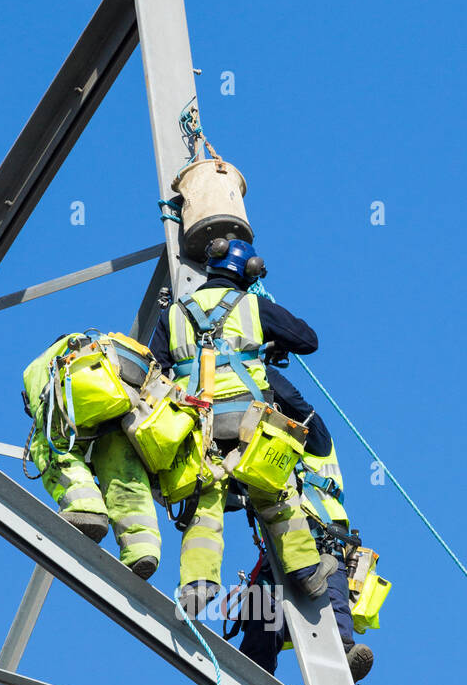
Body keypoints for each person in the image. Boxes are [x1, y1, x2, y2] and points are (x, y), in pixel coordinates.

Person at [149, 239, 334, 613]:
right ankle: (308, 574)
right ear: (250, 272)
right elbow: (308, 340)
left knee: (205, 506)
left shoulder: (174, 314)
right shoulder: (252, 305)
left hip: (197, 426)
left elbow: (155, 369)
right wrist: (270, 335)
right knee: (276, 496)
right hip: (250, 420)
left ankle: (197, 588)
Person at [223, 367, 374, 685]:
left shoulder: (313, 438)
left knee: (327, 599)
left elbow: (297, 404)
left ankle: (343, 655)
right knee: (257, 637)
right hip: (275, 558)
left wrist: (246, 363)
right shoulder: (258, 448)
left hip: (322, 542)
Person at [23, 332, 161, 579]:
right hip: (125, 400)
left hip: (85, 397)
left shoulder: (44, 363)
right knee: (123, 468)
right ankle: (141, 548)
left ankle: (85, 508)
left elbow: (45, 412)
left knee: (50, 445)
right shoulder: (108, 347)